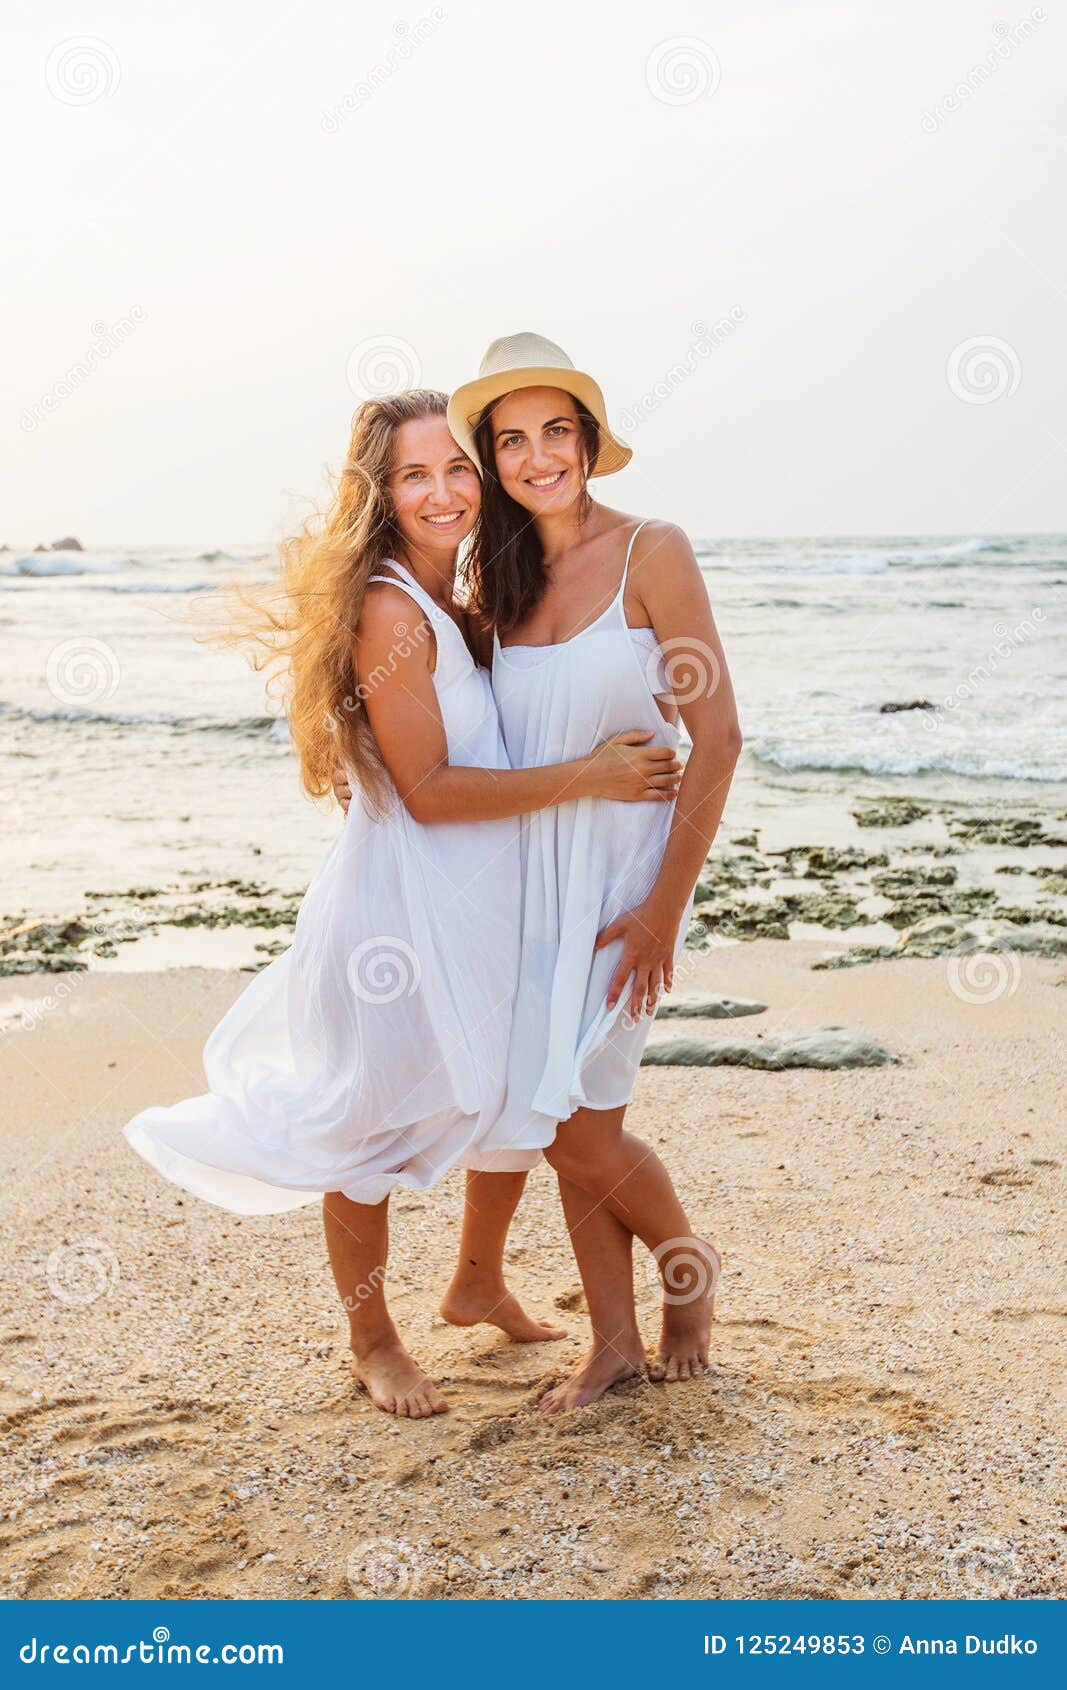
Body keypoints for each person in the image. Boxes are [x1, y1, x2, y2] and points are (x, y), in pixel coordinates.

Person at [124, 388, 681, 1419]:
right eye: (413, 475)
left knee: (503, 1091)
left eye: (454, 469)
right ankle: (371, 1339)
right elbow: (428, 789)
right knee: (368, 1124)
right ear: (381, 494)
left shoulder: (457, 600)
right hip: (394, 916)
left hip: (470, 905)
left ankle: (475, 1279)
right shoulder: (391, 605)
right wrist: (588, 776)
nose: (441, 491)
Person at [447, 334, 743, 1412]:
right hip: (534, 888)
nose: (538, 457)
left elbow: (716, 738)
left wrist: (661, 911)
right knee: (559, 1121)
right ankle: (612, 1344)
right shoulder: (501, 577)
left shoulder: (648, 550)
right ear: (494, 459)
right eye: (513, 440)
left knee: (584, 1126)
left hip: (624, 888)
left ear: (586, 441)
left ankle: (686, 1267)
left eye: (555, 431)